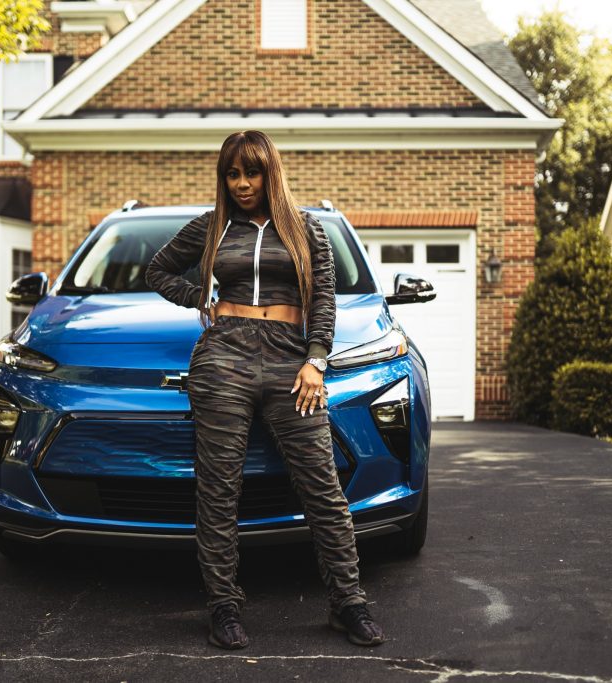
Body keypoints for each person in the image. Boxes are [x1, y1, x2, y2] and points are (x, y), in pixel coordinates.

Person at [144, 130, 386, 649]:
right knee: (218, 489)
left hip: (288, 359)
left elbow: (324, 299)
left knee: (322, 488)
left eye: (251, 172)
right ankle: (224, 607)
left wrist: (315, 361)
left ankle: (349, 602)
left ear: (270, 172)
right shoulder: (212, 227)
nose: (242, 183)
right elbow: (157, 269)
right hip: (223, 355)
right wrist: (197, 297)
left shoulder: (307, 230)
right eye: (232, 174)